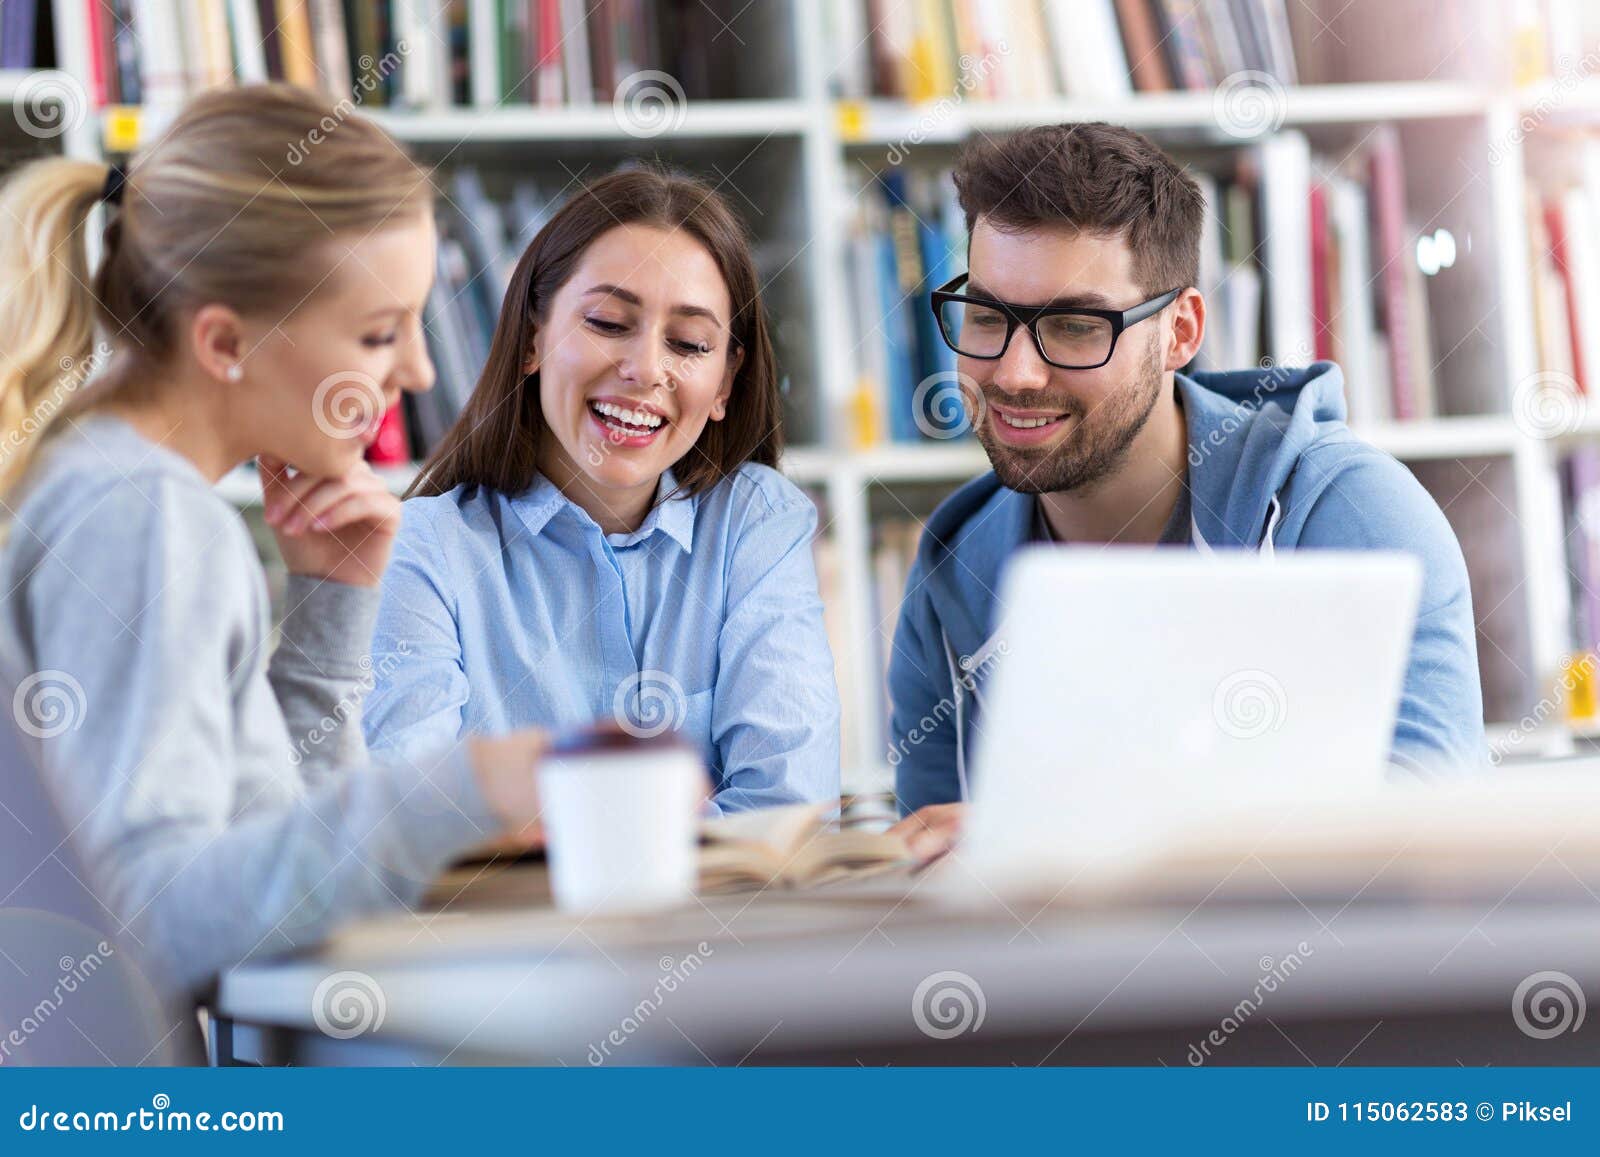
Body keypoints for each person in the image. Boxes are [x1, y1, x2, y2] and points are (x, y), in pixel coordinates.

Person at [0, 85, 548, 1001]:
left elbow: (254, 873)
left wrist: (330, 615)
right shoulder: (147, 516)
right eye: (380, 332)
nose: (416, 371)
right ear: (223, 342)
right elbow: (144, 925)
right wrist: (453, 791)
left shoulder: (98, 479)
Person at [886, 122, 1486, 862]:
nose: (1014, 374)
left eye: (1074, 326)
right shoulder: (952, 575)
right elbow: (936, 901)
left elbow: (1437, 853)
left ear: (1181, 331)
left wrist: (1063, 841)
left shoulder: (1349, 512)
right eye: (986, 316)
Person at [362, 168, 840, 814]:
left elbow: (788, 811)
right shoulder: (427, 546)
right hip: (514, 920)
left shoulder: (755, 521)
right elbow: (418, 820)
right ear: (533, 337)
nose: (645, 369)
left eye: (690, 343)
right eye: (609, 322)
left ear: (725, 383)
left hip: (715, 919)